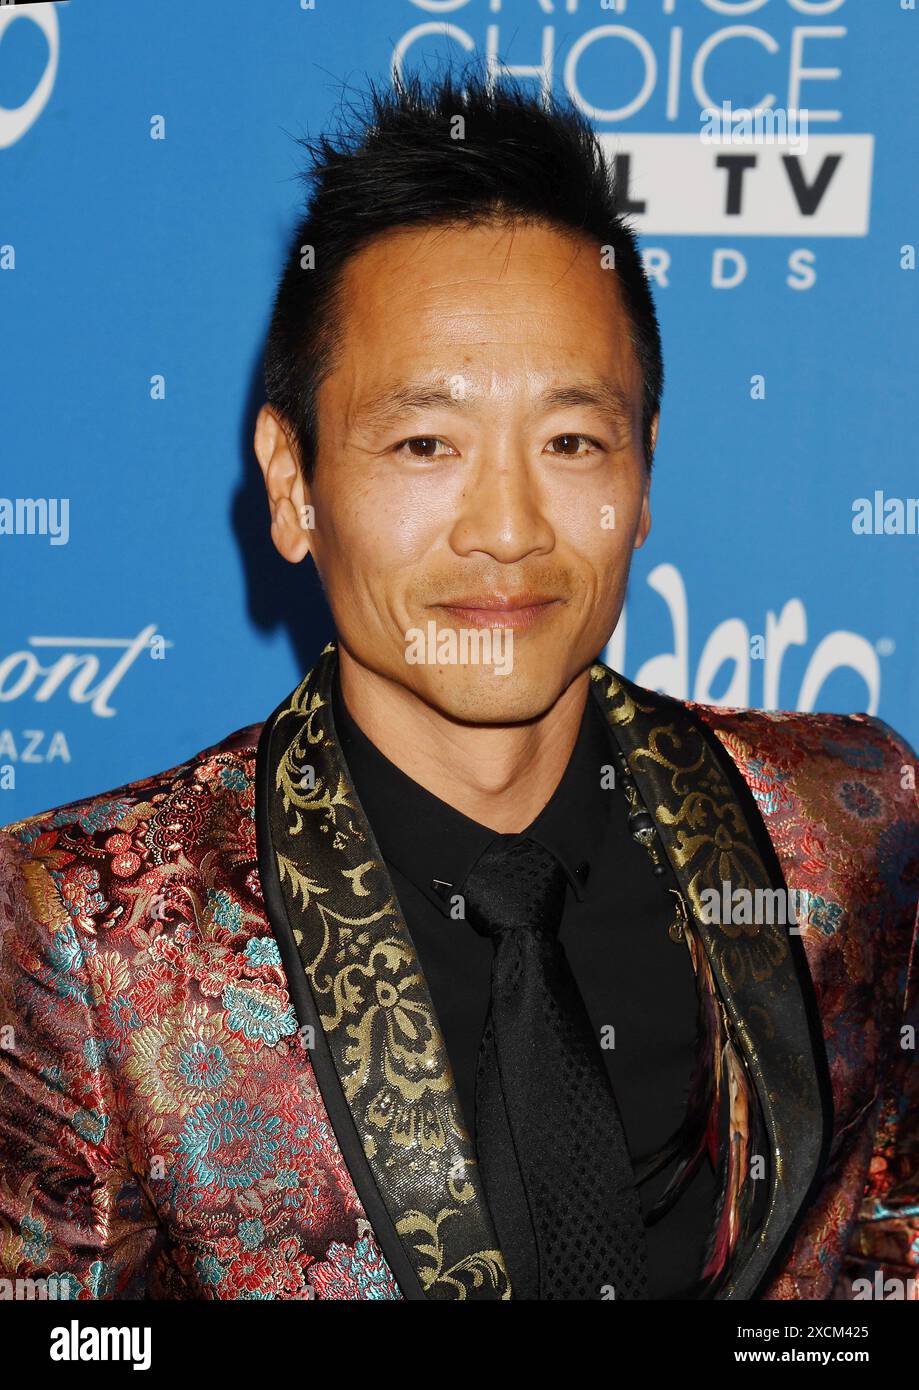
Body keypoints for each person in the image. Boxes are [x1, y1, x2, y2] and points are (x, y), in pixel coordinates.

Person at [1, 71, 916, 1303]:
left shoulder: (846, 821)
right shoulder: (91, 928)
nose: (505, 529)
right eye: (425, 443)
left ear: (643, 478)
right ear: (292, 481)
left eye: (571, 441)